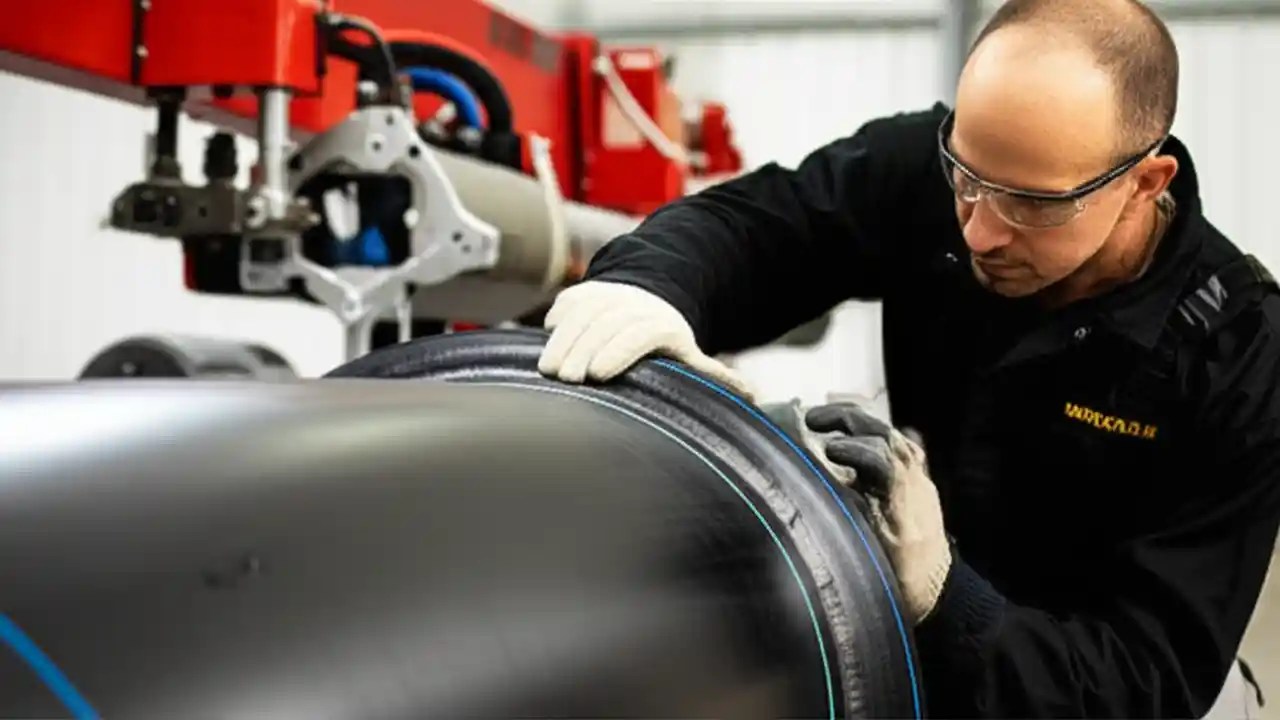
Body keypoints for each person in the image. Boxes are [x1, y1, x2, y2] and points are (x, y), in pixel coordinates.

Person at [536, 0, 1280, 716]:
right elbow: (762, 227)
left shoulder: (1240, 357)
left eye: (1033, 204)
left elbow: (1144, 683)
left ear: (1144, 183)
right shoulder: (933, 174)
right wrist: (648, 287)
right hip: (942, 648)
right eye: (967, 178)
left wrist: (943, 592)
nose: (982, 231)